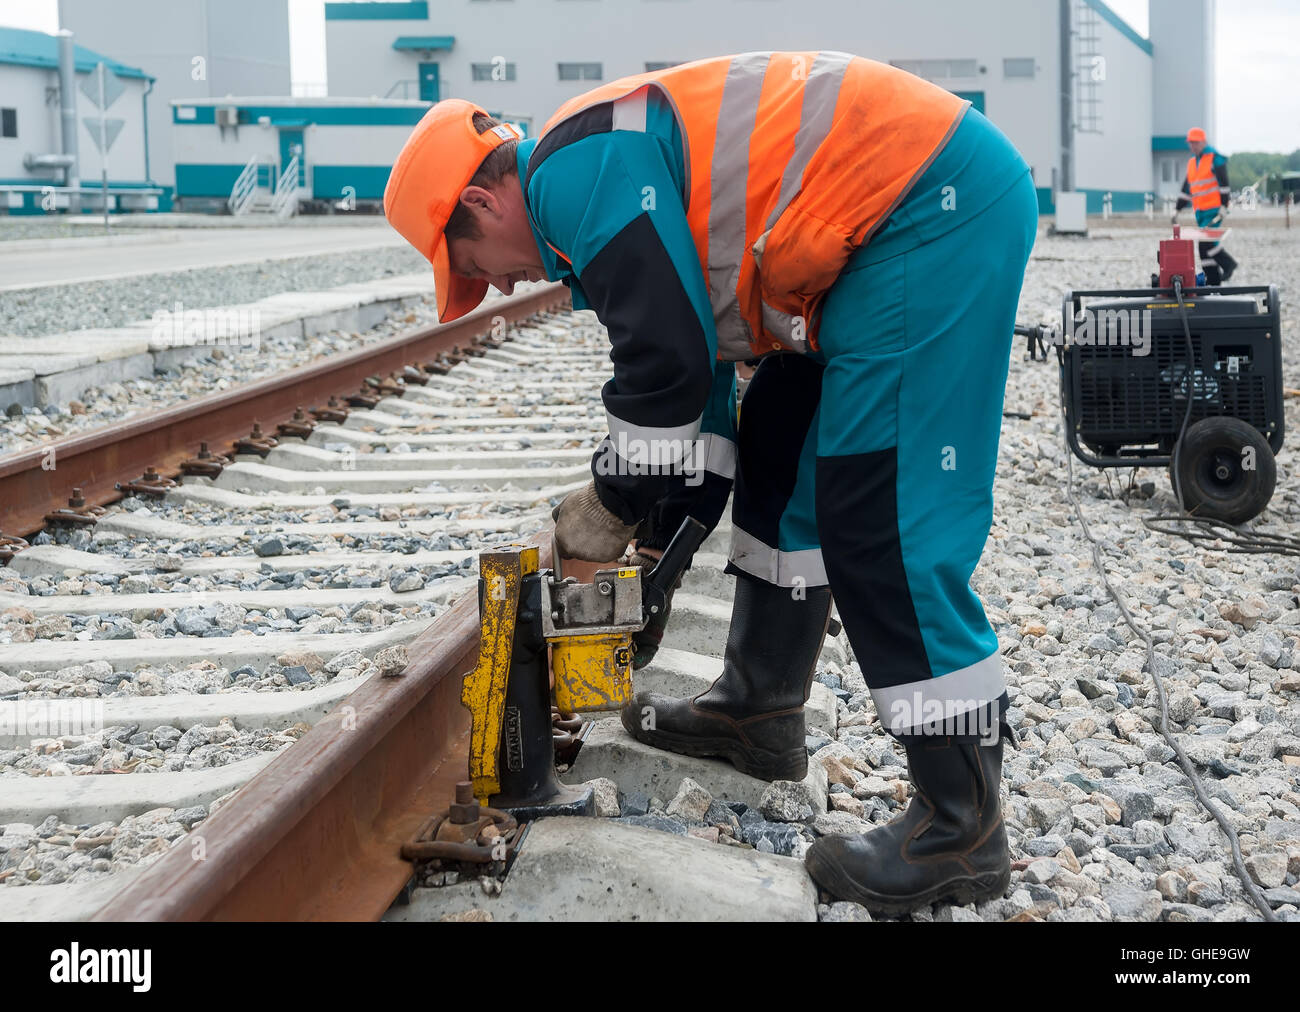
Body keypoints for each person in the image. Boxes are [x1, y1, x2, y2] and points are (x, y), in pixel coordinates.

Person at [383, 51, 1037, 915]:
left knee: (881, 518)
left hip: (923, 212)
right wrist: (658, 559)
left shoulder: (576, 174)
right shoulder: (589, 194)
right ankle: (761, 706)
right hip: (872, 237)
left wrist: (607, 511)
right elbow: (701, 416)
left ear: (482, 200)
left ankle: (963, 825)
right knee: (777, 442)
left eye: (474, 263)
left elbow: (664, 370)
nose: (496, 283)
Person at [1173, 127, 1238, 284]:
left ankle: (1228, 264)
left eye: (1196, 142)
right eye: (1191, 143)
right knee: (1205, 246)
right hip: (1200, 211)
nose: (1193, 146)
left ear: (1203, 142)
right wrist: (1177, 210)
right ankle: (1213, 279)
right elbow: (1186, 189)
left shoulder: (1215, 158)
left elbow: (1224, 184)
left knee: (1206, 243)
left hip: (1214, 209)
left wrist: (1224, 205)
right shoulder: (1192, 163)